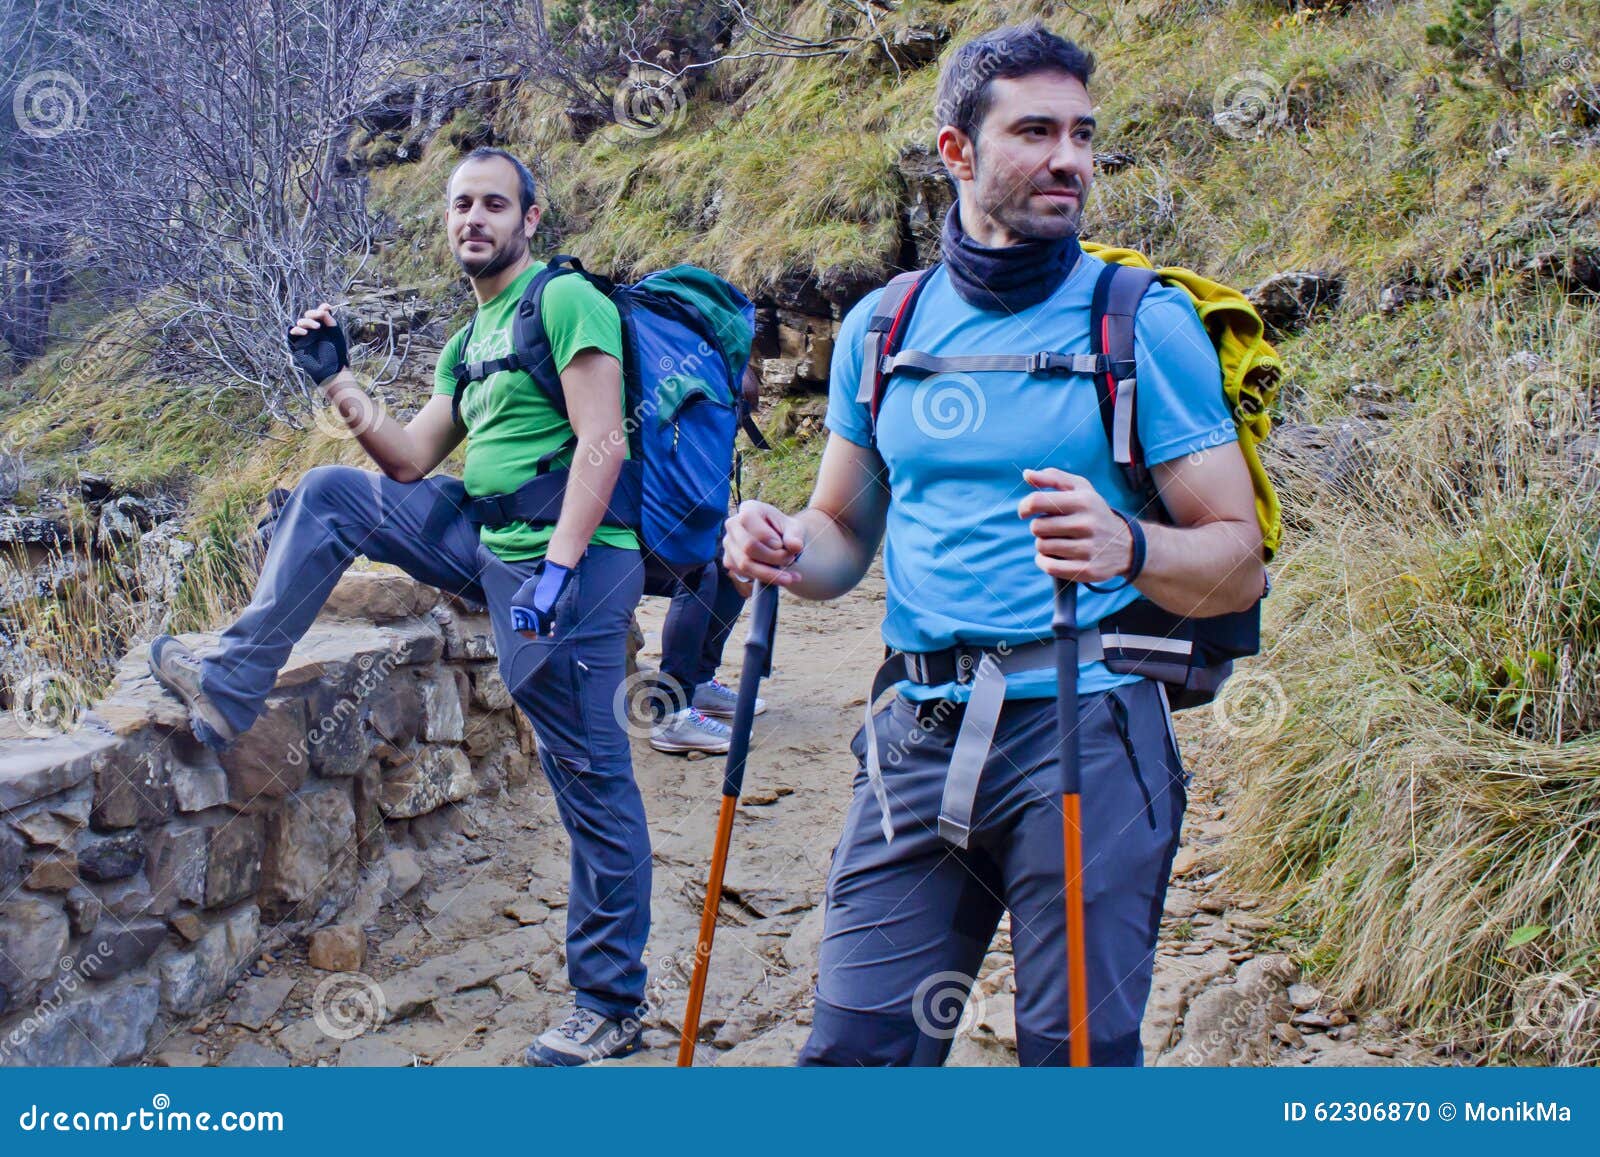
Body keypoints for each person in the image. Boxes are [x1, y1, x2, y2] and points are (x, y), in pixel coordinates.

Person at [722, 22, 1265, 1066]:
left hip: (1089, 729)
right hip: (916, 734)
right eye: (1035, 132)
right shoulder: (882, 328)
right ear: (956, 151)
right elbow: (838, 536)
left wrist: (1128, 545)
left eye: (1082, 134)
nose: (1069, 157)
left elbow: (1236, 556)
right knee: (853, 1053)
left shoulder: (1138, 322)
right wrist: (781, 543)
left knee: (1072, 1061)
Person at [147, 147, 652, 1067]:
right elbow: (412, 458)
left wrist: (557, 575)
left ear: (530, 219)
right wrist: (336, 382)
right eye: (461, 205)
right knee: (331, 491)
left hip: (571, 560)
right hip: (488, 539)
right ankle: (232, 675)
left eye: (495, 204)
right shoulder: (471, 340)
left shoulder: (566, 300)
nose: (475, 219)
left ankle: (611, 1001)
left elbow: (603, 441)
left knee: (591, 777)